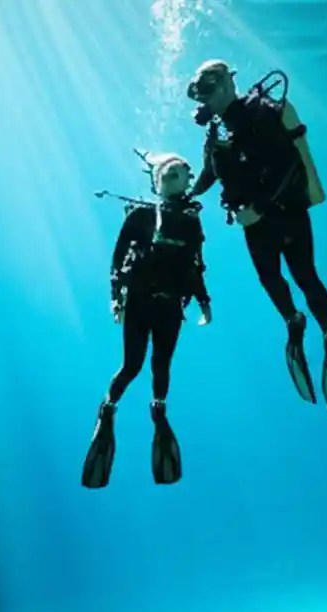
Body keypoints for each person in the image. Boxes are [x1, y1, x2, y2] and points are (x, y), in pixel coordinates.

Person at [186, 59, 327, 421]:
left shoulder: (262, 114)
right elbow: (210, 170)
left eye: (207, 90)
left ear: (226, 85)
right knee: (270, 277)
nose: (203, 101)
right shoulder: (218, 132)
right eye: (199, 93)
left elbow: (287, 166)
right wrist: (191, 194)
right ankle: (293, 321)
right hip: (253, 222)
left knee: (304, 275)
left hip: (285, 212)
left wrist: (260, 207)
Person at [81, 152, 213, 489]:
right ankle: (108, 409)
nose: (170, 178)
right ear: (156, 182)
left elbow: (194, 265)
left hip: (169, 306)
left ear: (187, 179)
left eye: (177, 173)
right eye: (165, 175)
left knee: (161, 365)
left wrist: (203, 301)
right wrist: (115, 296)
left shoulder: (191, 222)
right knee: (132, 365)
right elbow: (117, 255)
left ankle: (159, 411)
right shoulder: (141, 215)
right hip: (139, 301)